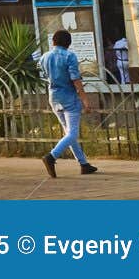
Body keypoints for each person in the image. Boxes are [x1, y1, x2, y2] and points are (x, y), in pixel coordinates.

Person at [41, 29, 98, 177]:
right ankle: (51, 156)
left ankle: (84, 164)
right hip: (69, 97)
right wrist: (85, 99)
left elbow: (44, 75)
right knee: (73, 133)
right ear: (69, 43)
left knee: (69, 133)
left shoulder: (45, 57)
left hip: (53, 96)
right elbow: (75, 79)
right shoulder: (70, 56)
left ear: (53, 41)